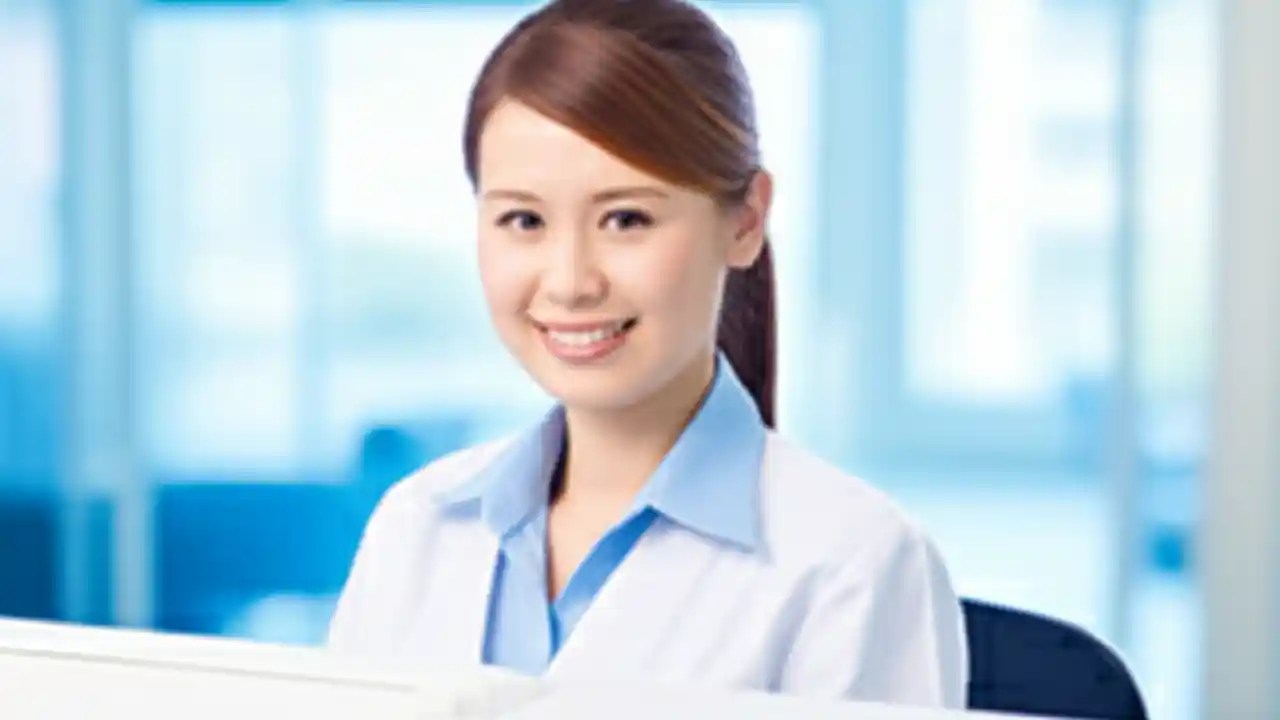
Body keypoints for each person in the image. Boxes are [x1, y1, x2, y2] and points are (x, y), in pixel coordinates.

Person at [328, 0, 967, 707]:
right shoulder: (415, 526)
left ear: (746, 221)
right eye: (524, 220)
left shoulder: (853, 565)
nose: (570, 281)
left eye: (626, 219)